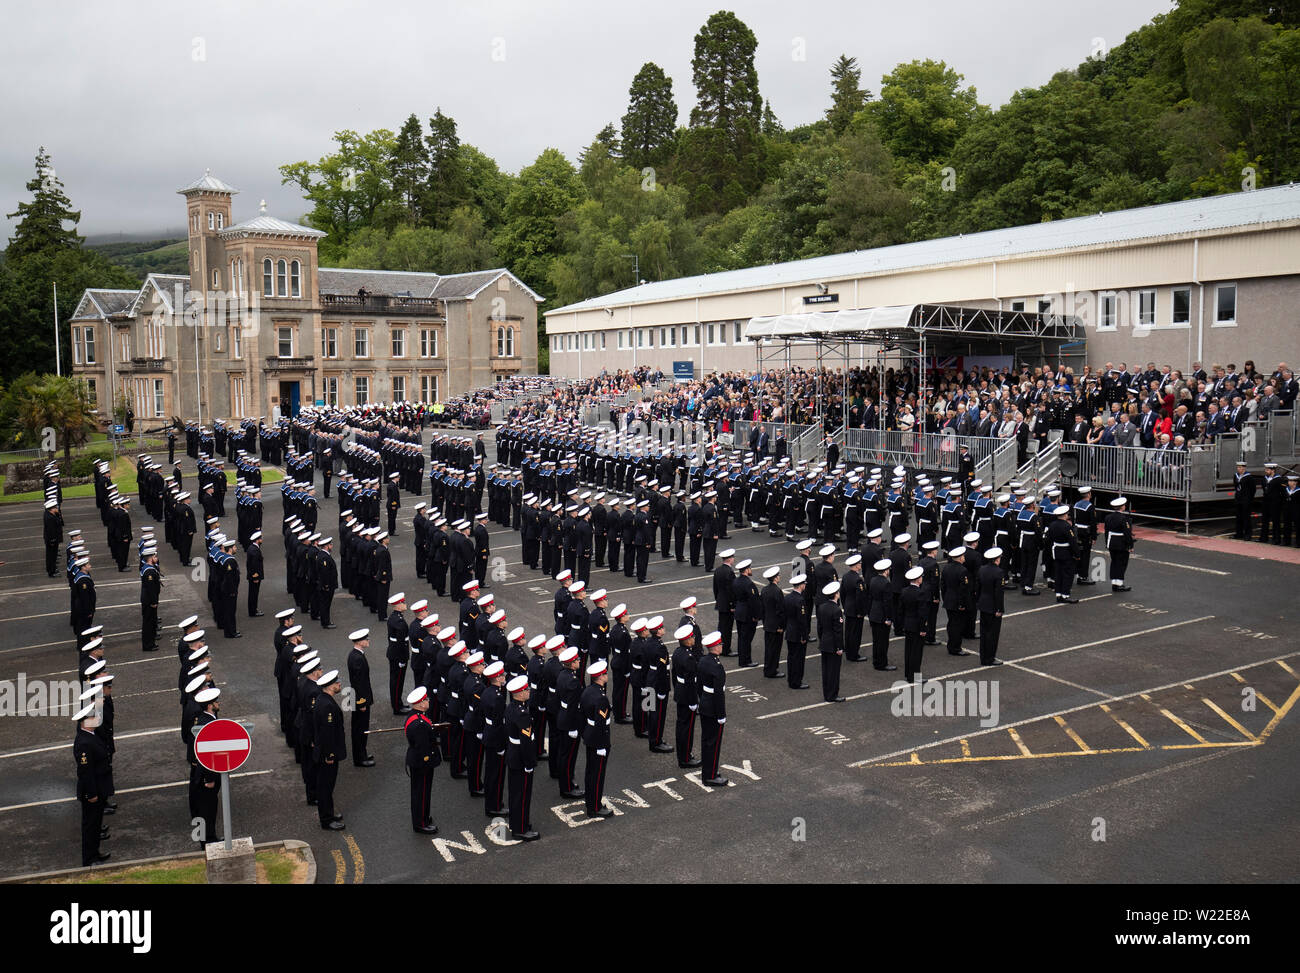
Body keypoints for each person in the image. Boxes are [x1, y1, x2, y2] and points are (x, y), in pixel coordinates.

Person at [73, 701, 112, 866]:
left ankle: (95, 853)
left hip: (100, 787)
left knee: (96, 825)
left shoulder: (91, 736)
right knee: (90, 826)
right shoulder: (84, 742)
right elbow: (85, 772)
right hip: (93, 791)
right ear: (85, 721)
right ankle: (89, 859)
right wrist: (92, 793)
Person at [505, 674, 540, 840]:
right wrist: (529, 762)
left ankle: (517, 823)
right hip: (520, 757)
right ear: (519, 693)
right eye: (526, 689)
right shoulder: (522, 714)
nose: (529, 691)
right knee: (522, 794)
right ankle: (521, 829)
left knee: (515, 793)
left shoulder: (511, 707)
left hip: (512, 753)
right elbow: (525, 742)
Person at [313, 668, 347, 830]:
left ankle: (329, 813)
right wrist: (330, 754)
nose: (340, 684)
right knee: (326, 786)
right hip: (327, 754)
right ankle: (326, 819)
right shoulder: (327, 706)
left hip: (325, 751)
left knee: (327, 785)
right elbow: (327, 733)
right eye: (337, 683)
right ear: (329, 686)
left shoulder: (323, 699)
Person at [579, 660, 614, 817]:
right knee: (597, 774)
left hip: (589, 735)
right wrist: (602, 744)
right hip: (598, 739)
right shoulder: (601, 697)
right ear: (600, 676)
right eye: (605, 673)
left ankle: (591, 803)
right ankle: (595, 807)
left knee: (590, 772)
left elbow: (581, 716)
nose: (607, 675)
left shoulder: (587, 691)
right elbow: (601, 723)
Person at [404, 686, 439, 835]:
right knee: (421, 793)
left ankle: (423, 816)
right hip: (421, 762)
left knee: (422, 791)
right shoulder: (419, 724)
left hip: (417, 759)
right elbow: (423, 747)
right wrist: (428, 760)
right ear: (420, 703)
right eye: (426, 699)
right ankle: (421, 823)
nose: (428, 701)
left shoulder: (417, 716)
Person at [696, 632, 729, 786]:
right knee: (713, 743)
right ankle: (710, 775)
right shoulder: (717, 666)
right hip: (713, 708)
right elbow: (718, 693)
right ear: (715, 647)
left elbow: (698, 685)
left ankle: (708, 771)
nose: (721, 646)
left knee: (706, 741)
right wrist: (721, 714)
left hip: (704, 703)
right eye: (720, 644)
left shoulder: (703, 661)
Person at [346, 628, 376, 767]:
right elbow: (359, 683)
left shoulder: (356, 655)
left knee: (360, 728)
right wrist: (362, 702)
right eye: (366, 639)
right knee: (360, 729)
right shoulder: (357, 658)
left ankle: (362, 753)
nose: (368, 641)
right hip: (359, 698)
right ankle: (359, 758)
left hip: (356, 696)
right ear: (359, 642)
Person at [941, 548, 974, 657]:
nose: (964, 558)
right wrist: (962, 604)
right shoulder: (963, 570)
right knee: (957, 625)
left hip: (949, 600)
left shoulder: (946, 568)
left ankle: (951, 645)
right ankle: (956, 647)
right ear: (960, 558)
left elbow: (943, 586)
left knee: (951, 624)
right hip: (957, 602)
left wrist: (945, 598)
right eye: (963, 556)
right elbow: (963, 590)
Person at [817, 581, 845, 703]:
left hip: (824, 642)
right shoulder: (836, 610)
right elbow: (838, 631)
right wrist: (839, 647)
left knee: (826, 670)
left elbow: (820, 627)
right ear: (836, 594)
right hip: (833, 644)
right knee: (834, 671)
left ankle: (827, 693)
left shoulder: (822, 607)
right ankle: (832, 695)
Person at [977, 548, 1006, 666]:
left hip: (983, 604)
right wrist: (999, 609)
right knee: (992, 634)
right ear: (997, 559)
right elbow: (999, 593)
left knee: (984, 633)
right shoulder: (999, 572)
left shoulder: (982, 569)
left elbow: (978, 587)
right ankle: (990, 658)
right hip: (993, 606)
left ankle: (983, 657)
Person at [901, 566, 926, 683]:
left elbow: (901, 610)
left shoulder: (904, 591)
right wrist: (923, 628)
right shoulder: (920, 593)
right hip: (916, 625)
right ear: (917, 579)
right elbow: (922, 613)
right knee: (916, 652)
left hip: (908, 623)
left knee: (909, 650)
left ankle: (908, 673)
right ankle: (915, 676)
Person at [387, 593, 411, 715]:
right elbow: (401, 642)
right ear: (398, 605)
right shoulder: (399, 621)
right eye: (403, 602)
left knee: (396, 680)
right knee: (397, 682)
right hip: (398, 655)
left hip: (394, 653)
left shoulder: (394, 617)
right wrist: (402, 659)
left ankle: (398, 703)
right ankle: (397, 707)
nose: (405, 604)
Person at [760, 565, 785, 677]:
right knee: (775, 649)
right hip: (776, 626)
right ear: (775, 578)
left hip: (768, 624)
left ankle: (767, 668)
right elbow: (780, 610)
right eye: (778, 576)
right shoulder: (777, 591)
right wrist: (781, 626)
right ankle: (772, 670)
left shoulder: (764, 590)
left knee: (768, 648)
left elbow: (763, 608)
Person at [1105, 497, 1134, 592]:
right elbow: (1127, 533)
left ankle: (1114, 582)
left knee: (1114, 562)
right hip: (1121, 543)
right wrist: (1130, 545)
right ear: (1122, 507)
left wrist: (1107, 543)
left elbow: (1106, 531)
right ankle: (1119, 584)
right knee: (1121, 563)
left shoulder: (1108, 517)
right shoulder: (1124, 519)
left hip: (1111, 542)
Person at [140, 545, 161, 652]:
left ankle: (150, 642)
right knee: (148, 623)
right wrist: (154, 601)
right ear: (151, 558)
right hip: (149, 601)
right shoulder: (149, 572)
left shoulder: (148, 568)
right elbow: (151, 589)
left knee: (151, 622)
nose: (156, 558)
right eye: (155, 556)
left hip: (148, 600)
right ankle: (148, 645)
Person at [246, 530, 264, 618]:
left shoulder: (252, 548)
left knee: (253, 593)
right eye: (260, 538)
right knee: (254, 594)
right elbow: (254, 565)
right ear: (257, 540)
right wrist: (255, 575)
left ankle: (253, 609)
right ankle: (253, 611)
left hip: (253, 575)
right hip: (255, 576)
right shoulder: (255, 550)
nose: (261, 539)